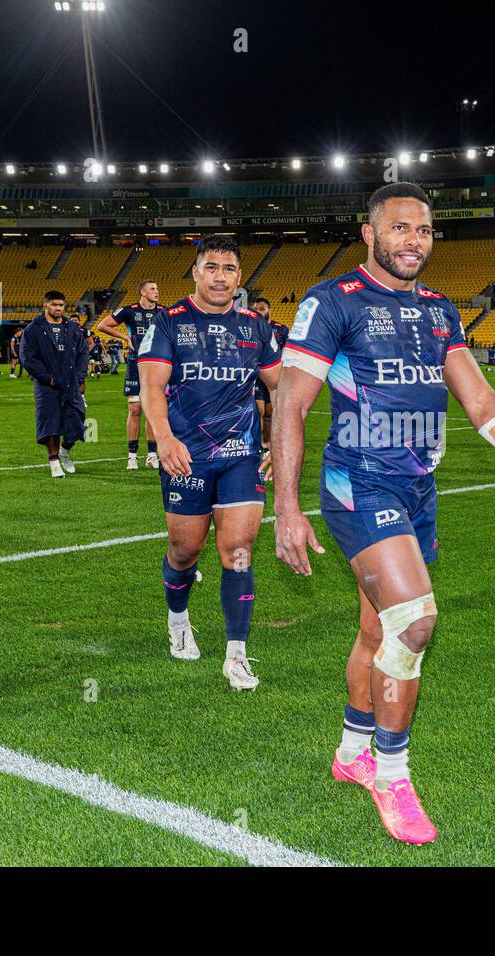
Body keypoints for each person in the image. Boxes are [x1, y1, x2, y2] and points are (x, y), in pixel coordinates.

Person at [272, 183, 495, 844]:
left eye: (425, 230)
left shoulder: (440, 310)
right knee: (414, 623)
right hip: (358, 482)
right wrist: (286, 508)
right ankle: (392, 773)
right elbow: (290, 403)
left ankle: (352, 752)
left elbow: (479, 395)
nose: (414, 240)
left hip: (416, 489)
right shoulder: (332, 302)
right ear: (370, 233)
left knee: (377, 632)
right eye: (401, 228)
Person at [138, 237, 281, 691]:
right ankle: (178, 618)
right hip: (186, 457)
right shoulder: (168, 321)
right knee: (185, 552)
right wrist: (164, 439)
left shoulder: (256, 326)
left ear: (240, 278)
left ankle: (236, 655)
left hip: (241, 456)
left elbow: (282, 388)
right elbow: (151, 387)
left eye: (229, 268)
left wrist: (279, 443)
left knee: (238, 551)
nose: (220, 275)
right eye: (211, 266)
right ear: (196, 273)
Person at [96, 280, 165, 470]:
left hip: (157, 365)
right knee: (135, 409)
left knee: (153, 410)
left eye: (157, 288)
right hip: (136, 364)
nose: (156, 291)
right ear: (142, 292)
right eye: (152, 289)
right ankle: (132, 456)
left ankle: (152, 455)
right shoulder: (129, 310)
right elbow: (102, 325)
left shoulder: (164, 312)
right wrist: (125, 337)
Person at [20, 290, 89, 477]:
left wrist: (79, 376)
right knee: (50, 424)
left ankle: (65, 451)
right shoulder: (33, 329)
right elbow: (28, 358)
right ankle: (54, 461)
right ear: (45, 305)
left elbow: (83, 353)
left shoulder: (73, 328)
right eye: (54, 305)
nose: (58, 308)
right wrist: (47, 377)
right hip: (47, 385)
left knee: (76, 421)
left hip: (71, 383)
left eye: (60, 305)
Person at [250, 296, 289, 454]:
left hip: (275, 376)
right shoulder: (250, 328)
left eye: (261, 308)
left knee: (270, 412)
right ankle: (257, 444)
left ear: (268, 310)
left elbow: (288, 352)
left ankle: (267, 443)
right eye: (256, 309)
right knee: (258, 410)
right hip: (258, 375)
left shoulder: (281, 329)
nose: (258, 311)